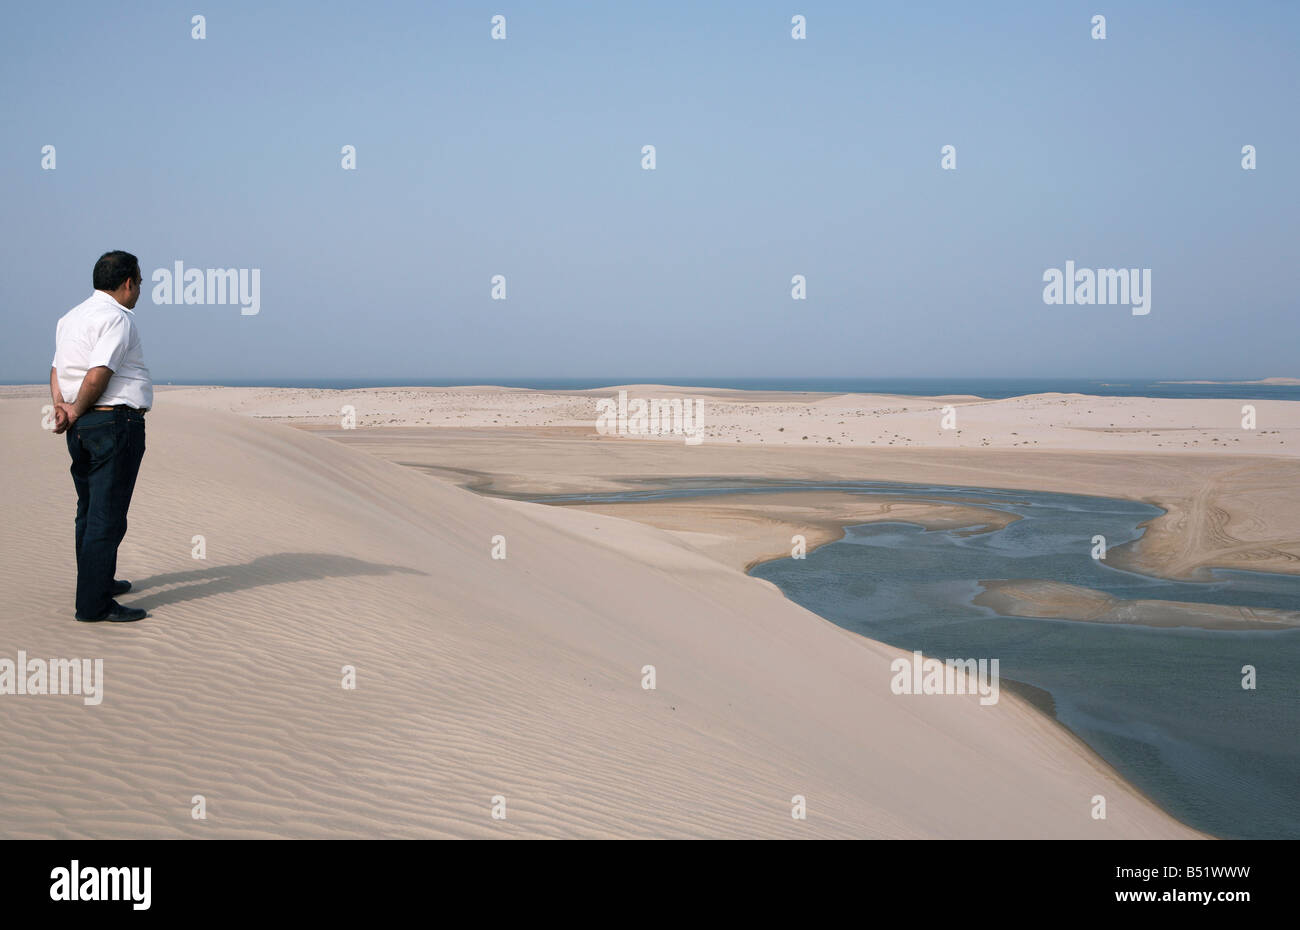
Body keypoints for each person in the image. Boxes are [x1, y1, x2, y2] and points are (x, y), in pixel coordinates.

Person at [50, 250, 153, 622]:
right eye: (139, 282)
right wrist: (73, 410)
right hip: (113, 423)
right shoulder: (118, 319)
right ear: (127, 283)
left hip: (82, 429)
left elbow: (57, 369)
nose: (140, 289)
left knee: (89, 510)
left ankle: (98, 582)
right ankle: (93, 605)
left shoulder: (71, 317)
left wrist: (61, 407)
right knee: (106, 517)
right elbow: (100, 371)